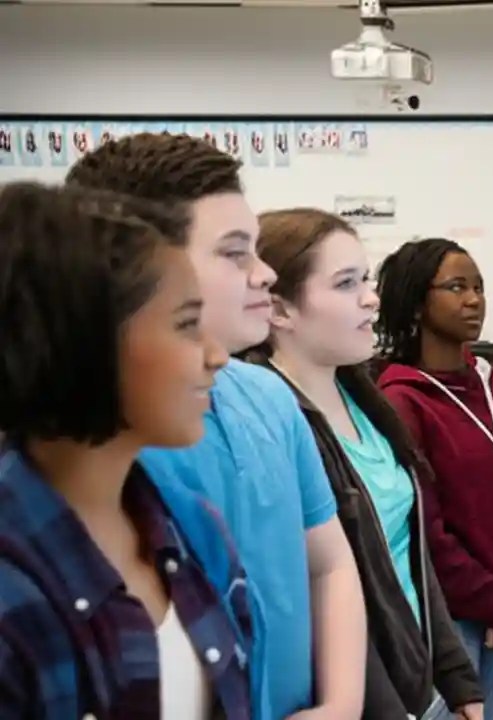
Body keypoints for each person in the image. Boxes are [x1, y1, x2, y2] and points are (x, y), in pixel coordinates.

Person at [66, 133, 367, 719]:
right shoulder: (103, 441)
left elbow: (328, 561)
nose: (265, 274)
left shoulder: (270, 400)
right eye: (234, 254)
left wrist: (339, 704)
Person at [0, 182, 251, 718]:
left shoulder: (194, 528)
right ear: (86, 336)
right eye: (187, 324)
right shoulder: (13, 584)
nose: (216, 356)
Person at [244, 208, 485, 719]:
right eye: (346, 283)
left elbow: (409, 553)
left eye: (367, 279)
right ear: (280, 309)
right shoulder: (272, 427)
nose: (372, 298)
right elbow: (317, 595)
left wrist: (456, 677)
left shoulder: (365, 395)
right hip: (365, 701)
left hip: (419, 685)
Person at [374, 238, 493, 720]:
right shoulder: (400, 399)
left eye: (479, 287)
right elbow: (425, 531)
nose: (474, 300)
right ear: (417, 302)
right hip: (448, 620)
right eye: (456, 287)